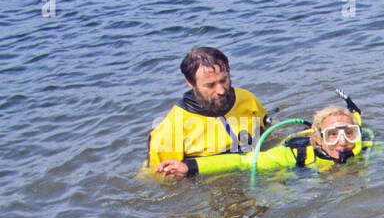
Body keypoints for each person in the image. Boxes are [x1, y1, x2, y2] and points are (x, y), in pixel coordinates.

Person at [154, 104, 366, 177]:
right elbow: (242, 161)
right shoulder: (293, 155)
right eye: (332, 134)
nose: (342, 141)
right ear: (318, 139)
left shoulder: (366, 148)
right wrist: (189, 167)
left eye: (349, 133)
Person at [147, 47, 266, 167]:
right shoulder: (171, 128)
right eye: (210, 85)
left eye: (223, 80)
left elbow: (268, 135)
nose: (221, 90)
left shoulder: (247, 99)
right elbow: (161, 180)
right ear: (190, 82)